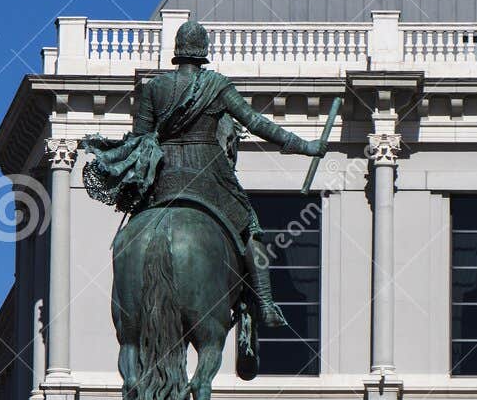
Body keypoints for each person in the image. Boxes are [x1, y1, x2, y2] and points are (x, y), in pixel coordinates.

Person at [82, 18, 321, 329]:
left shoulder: (154, 88)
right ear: (203, 52)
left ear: (178, 52)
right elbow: (256, 123)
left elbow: (140, 137)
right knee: (251, 229)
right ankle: (265, 303)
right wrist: (304, 146)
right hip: (209, 172)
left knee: (138, 223)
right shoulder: (218, 85)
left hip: (164, 175)